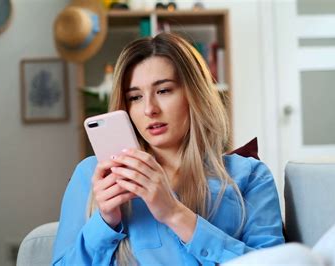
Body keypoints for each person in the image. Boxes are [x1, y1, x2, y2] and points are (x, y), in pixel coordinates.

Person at [51, 33, 284, 265]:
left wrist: (174, 214)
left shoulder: (250, 176)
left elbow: (277, 263)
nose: (149, 109)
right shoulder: (93, 175)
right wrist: (104, 223)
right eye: (135, 97)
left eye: (163, 91)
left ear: (194, 94)